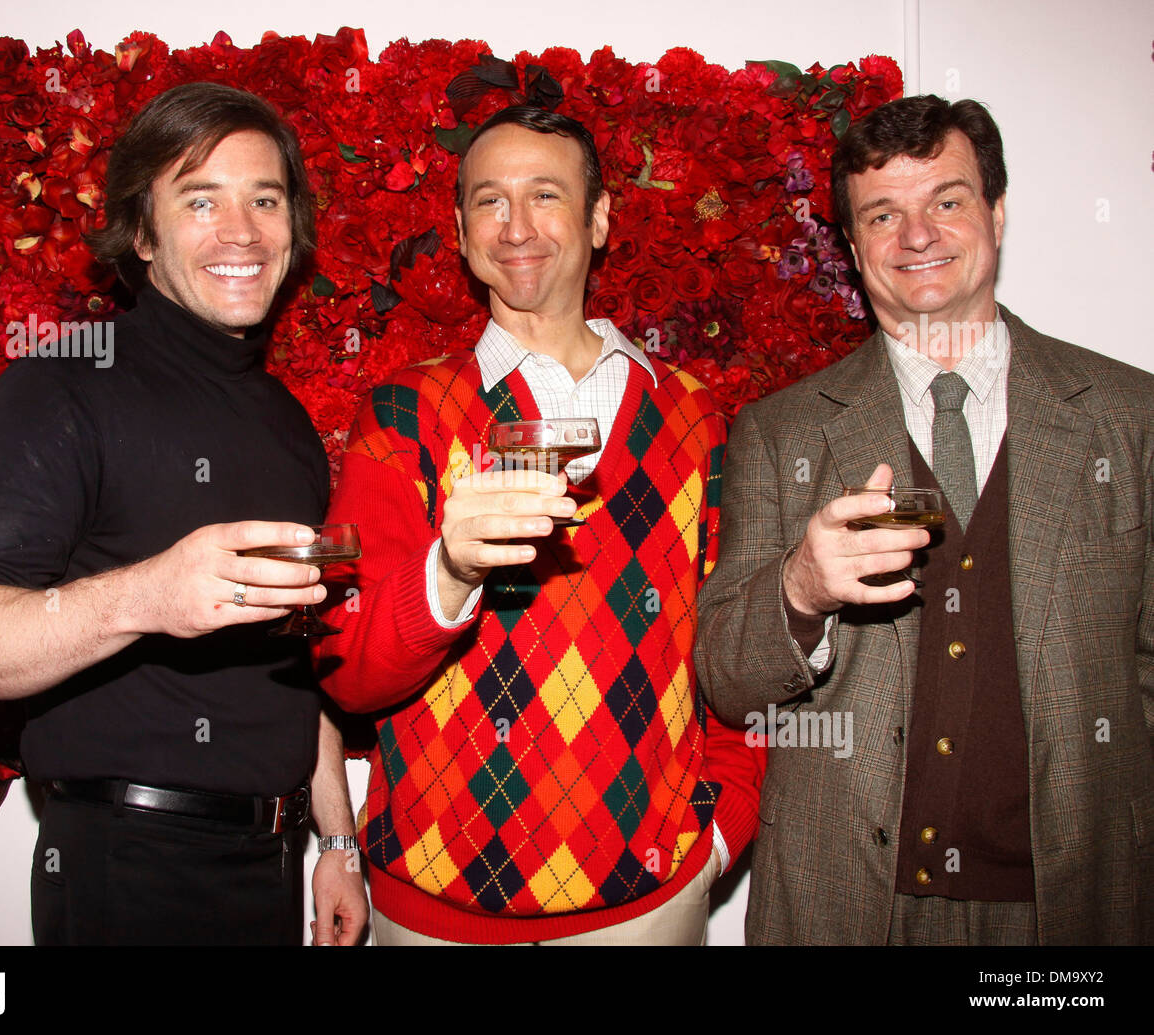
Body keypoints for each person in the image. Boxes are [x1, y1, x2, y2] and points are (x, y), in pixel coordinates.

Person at [0, 82, 367, 946]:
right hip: (128, 866)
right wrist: (146, 596)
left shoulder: (289, 426)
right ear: (144, 233)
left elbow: (295, 664)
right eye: (202, 200)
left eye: (265, 199)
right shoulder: (62, 387)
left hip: (271, 864)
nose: (242, 230)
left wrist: (335, 839)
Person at [695, 94, 1153, 945]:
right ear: (853, 243)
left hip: (1072, 905)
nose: (917, 235)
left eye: (946, 200)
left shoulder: (1130, 417)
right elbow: (726, 681)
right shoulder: (778, 430)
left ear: (997, 213)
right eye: (882, 214)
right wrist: (799, 586)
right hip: (852, 903)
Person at [314, 106, 764, 944]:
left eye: (546, 195)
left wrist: (722, 830)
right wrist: (447, 571)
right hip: (430, 916)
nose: (516, 226)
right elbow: (345, 672)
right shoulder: (405, 411)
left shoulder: (695, 416)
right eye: (490, 200)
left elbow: (737, 646)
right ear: (458, 228)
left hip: (649, 910)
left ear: (598, 219)